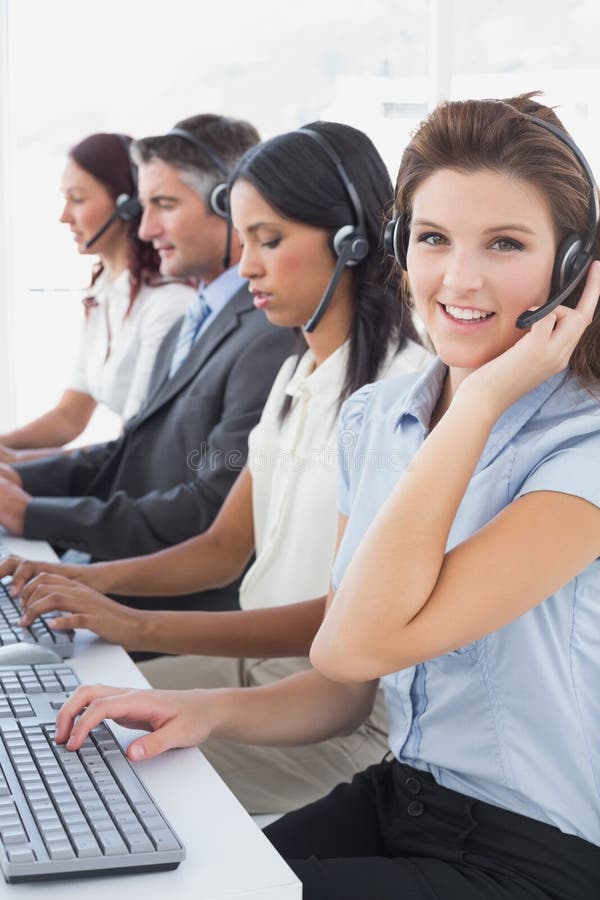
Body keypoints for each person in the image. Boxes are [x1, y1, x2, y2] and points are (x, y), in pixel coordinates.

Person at [33, 93, 600, 897]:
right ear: (399, 244)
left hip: (534, 853)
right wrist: (206, 712)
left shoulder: (581, 453)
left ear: (573, 266)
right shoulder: (380, 418)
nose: (460, 277)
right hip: (403, 794)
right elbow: (340, 690)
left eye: (505, 243)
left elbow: (347, 647)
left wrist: (478, 403)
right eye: (433, 238)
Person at [2, 121, 429, 813]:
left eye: (270, 240)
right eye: (245, 239)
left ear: (353, 241)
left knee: (76, 770)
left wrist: (132, 623)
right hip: (254, 672)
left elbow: (340, 619)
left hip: (341, 716)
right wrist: (80, 583)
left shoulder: (401, 391)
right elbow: (222, 548)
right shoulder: (297, 372)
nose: (248, 266)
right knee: (39, 717)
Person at [0, 114, 295, 615]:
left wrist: (34, 514)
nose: (144, 228)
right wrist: (21, 484)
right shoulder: (194, 321)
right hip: (126, 583)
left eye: (165, 205)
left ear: (229, 203)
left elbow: (204, 508)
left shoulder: (269, 337)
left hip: (179, 608)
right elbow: (132, 451)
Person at [0, 132, 194, 461]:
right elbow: (68, 417)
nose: (64, 215)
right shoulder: (105, 291)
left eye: (77, 199)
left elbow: (134, 446)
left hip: (144, 475)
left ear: (128, 205)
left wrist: (17, 465)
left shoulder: (168, 303)